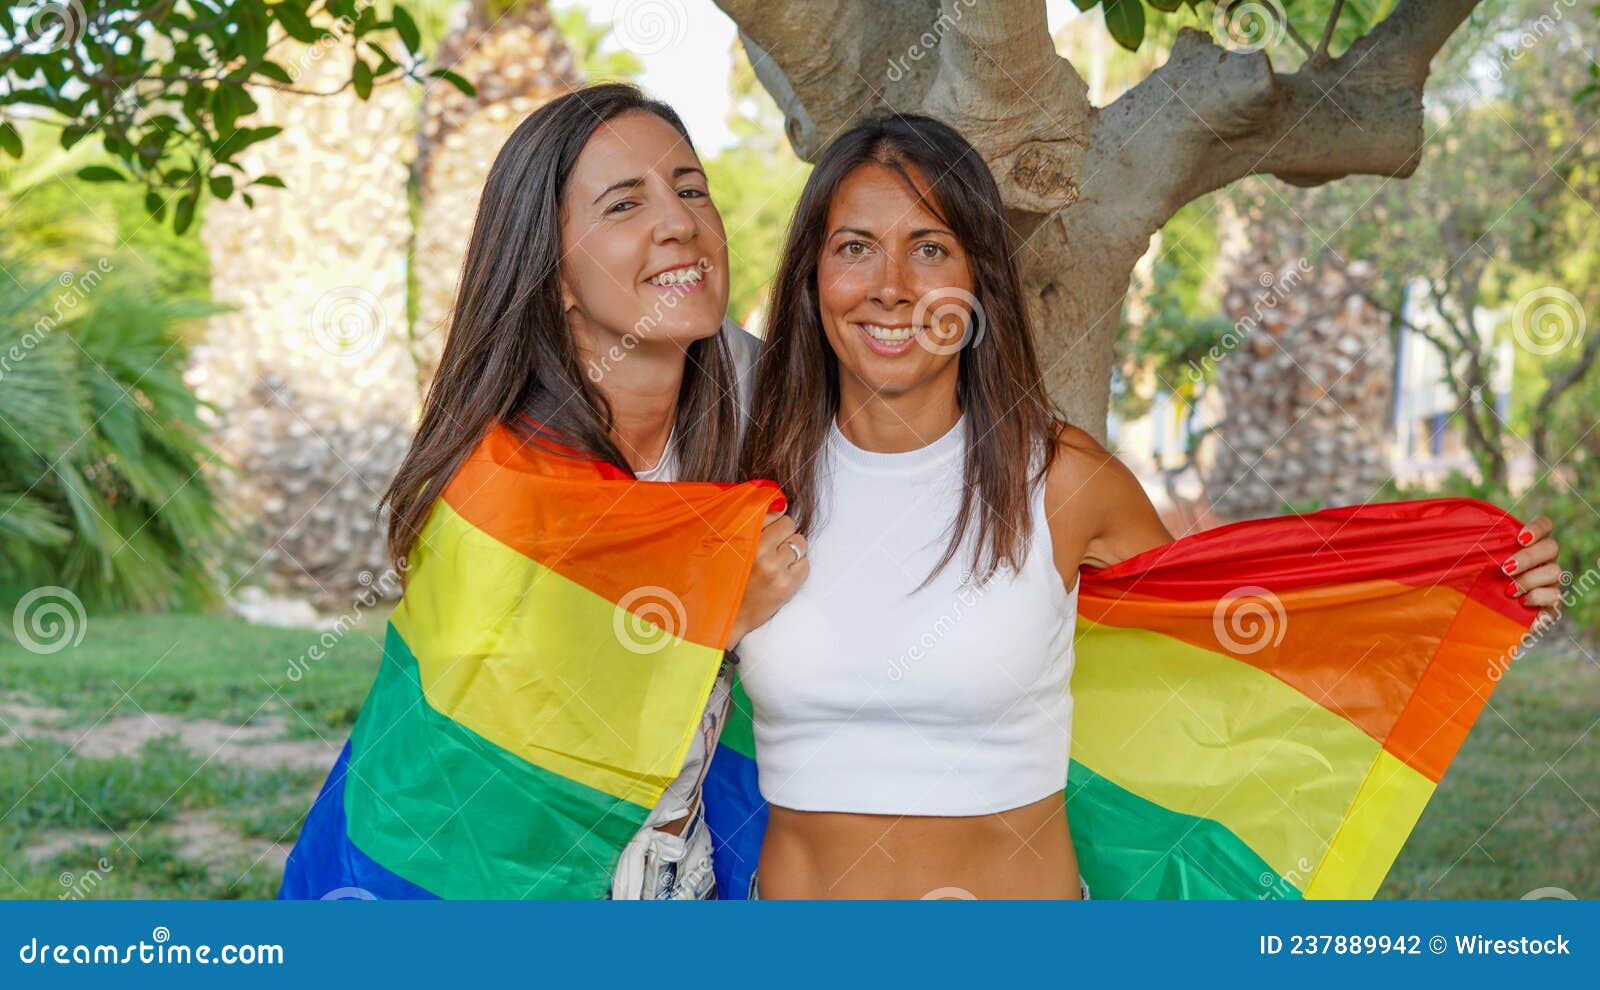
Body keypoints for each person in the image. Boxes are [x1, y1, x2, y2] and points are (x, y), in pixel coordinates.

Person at [732, 112, 1565, 899]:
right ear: (813, 275)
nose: (891, 286)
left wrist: (1469, 587)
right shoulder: (753, 483)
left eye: (929, 249)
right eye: (855, 247)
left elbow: (1229, 642)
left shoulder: (1063, 483)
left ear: (978, 276)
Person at [373, 83, 808, 899]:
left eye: (689, 189)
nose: (678, 222)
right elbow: (508, 756)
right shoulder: (497, 485)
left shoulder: (767, 408)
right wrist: (718, 611)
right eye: (622, 205)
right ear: (554, 274)